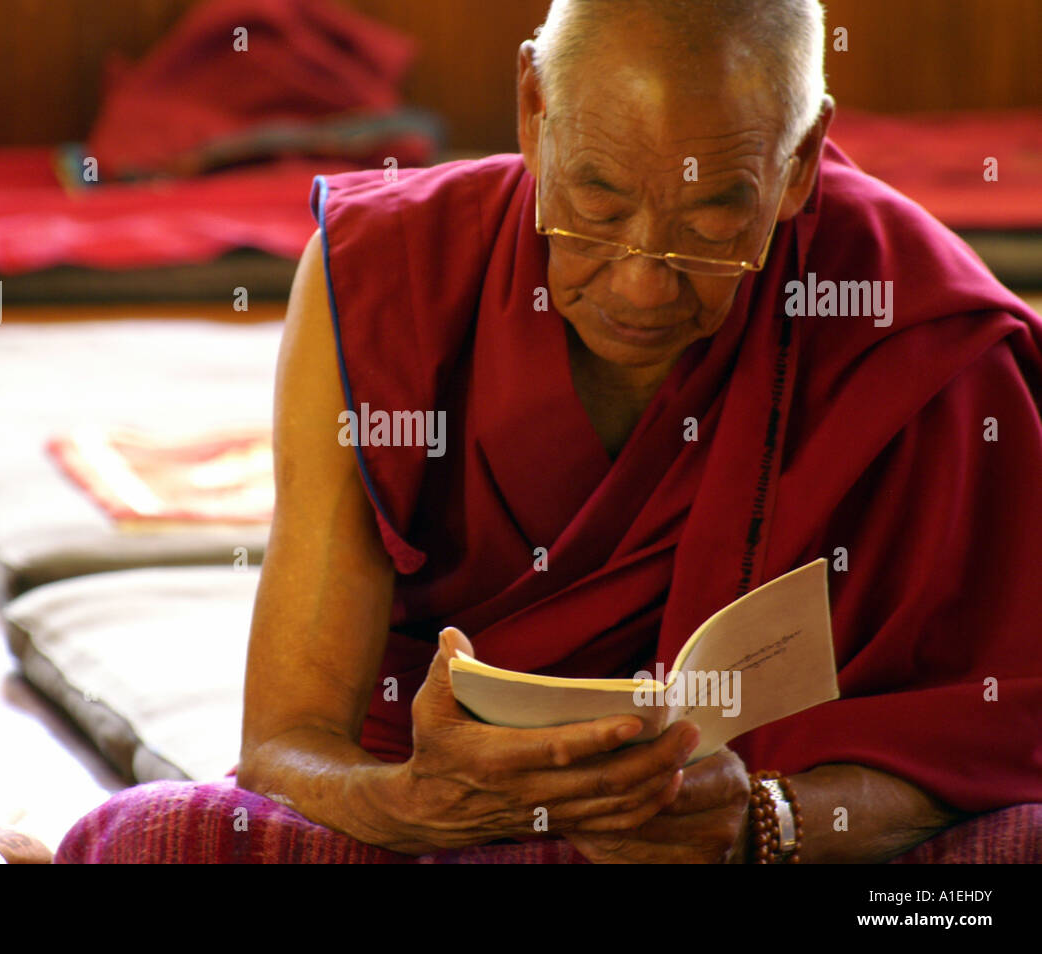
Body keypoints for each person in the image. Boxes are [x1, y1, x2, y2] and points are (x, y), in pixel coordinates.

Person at [62, 0, 1042, 863]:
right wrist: (412, 805)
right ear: (533, 108)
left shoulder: (916, 325)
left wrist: (765, 827)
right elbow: (289, 750)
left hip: (758, 847)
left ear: (798, 164)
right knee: (150, 841)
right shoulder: (383, 276)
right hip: (448, 832)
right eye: (596, 204)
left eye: (709, 223)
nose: (639, 283)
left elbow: (1001, 733)